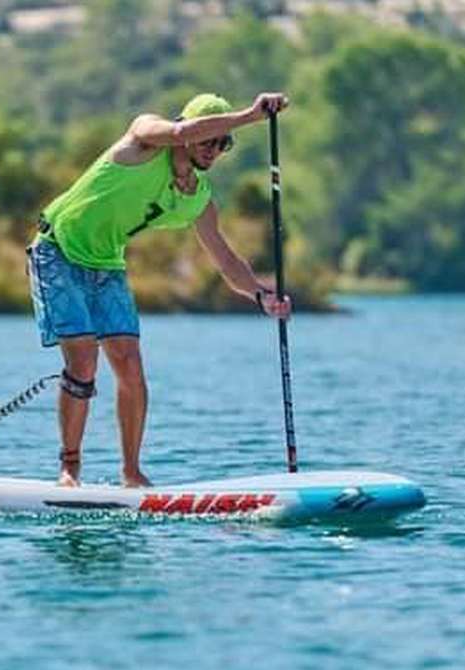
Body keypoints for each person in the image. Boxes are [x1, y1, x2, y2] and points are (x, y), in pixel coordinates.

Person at [26, 92, 293, 488]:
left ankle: (131, 473)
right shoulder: (144, 138)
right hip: (57, 251)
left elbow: (225, 259)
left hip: (107, 264)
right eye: (209, 139)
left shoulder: (198, 200)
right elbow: (183, 129)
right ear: (187, 133)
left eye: (223, 144)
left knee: (130, 365)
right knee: (83, 363)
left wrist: (261, 295)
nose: (214, 149)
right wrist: (250, 116)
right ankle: (70, 468)